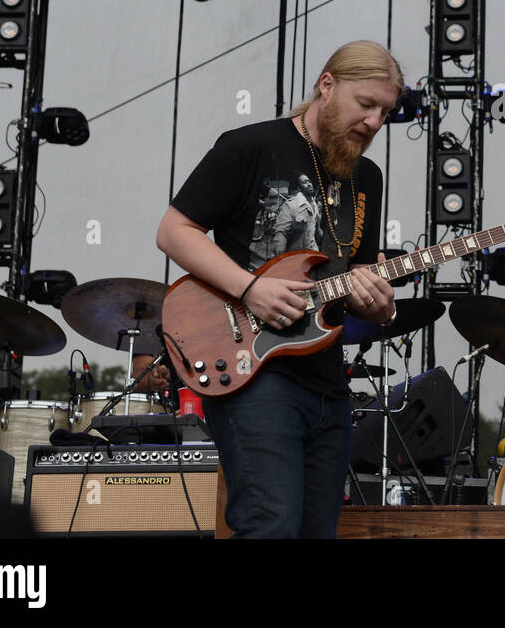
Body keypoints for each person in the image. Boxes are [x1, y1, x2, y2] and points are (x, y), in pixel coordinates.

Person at [156, 40, 402, 538]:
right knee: (270, 528)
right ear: (326, 86)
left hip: (329, 384)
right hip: (254, 374)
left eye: (386, 112)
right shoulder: (250, 146)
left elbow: (353, 276)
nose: (374, 123)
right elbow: (174, 230)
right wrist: (250, 289)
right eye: (366, 104)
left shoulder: (366, 178)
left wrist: (378, 306)